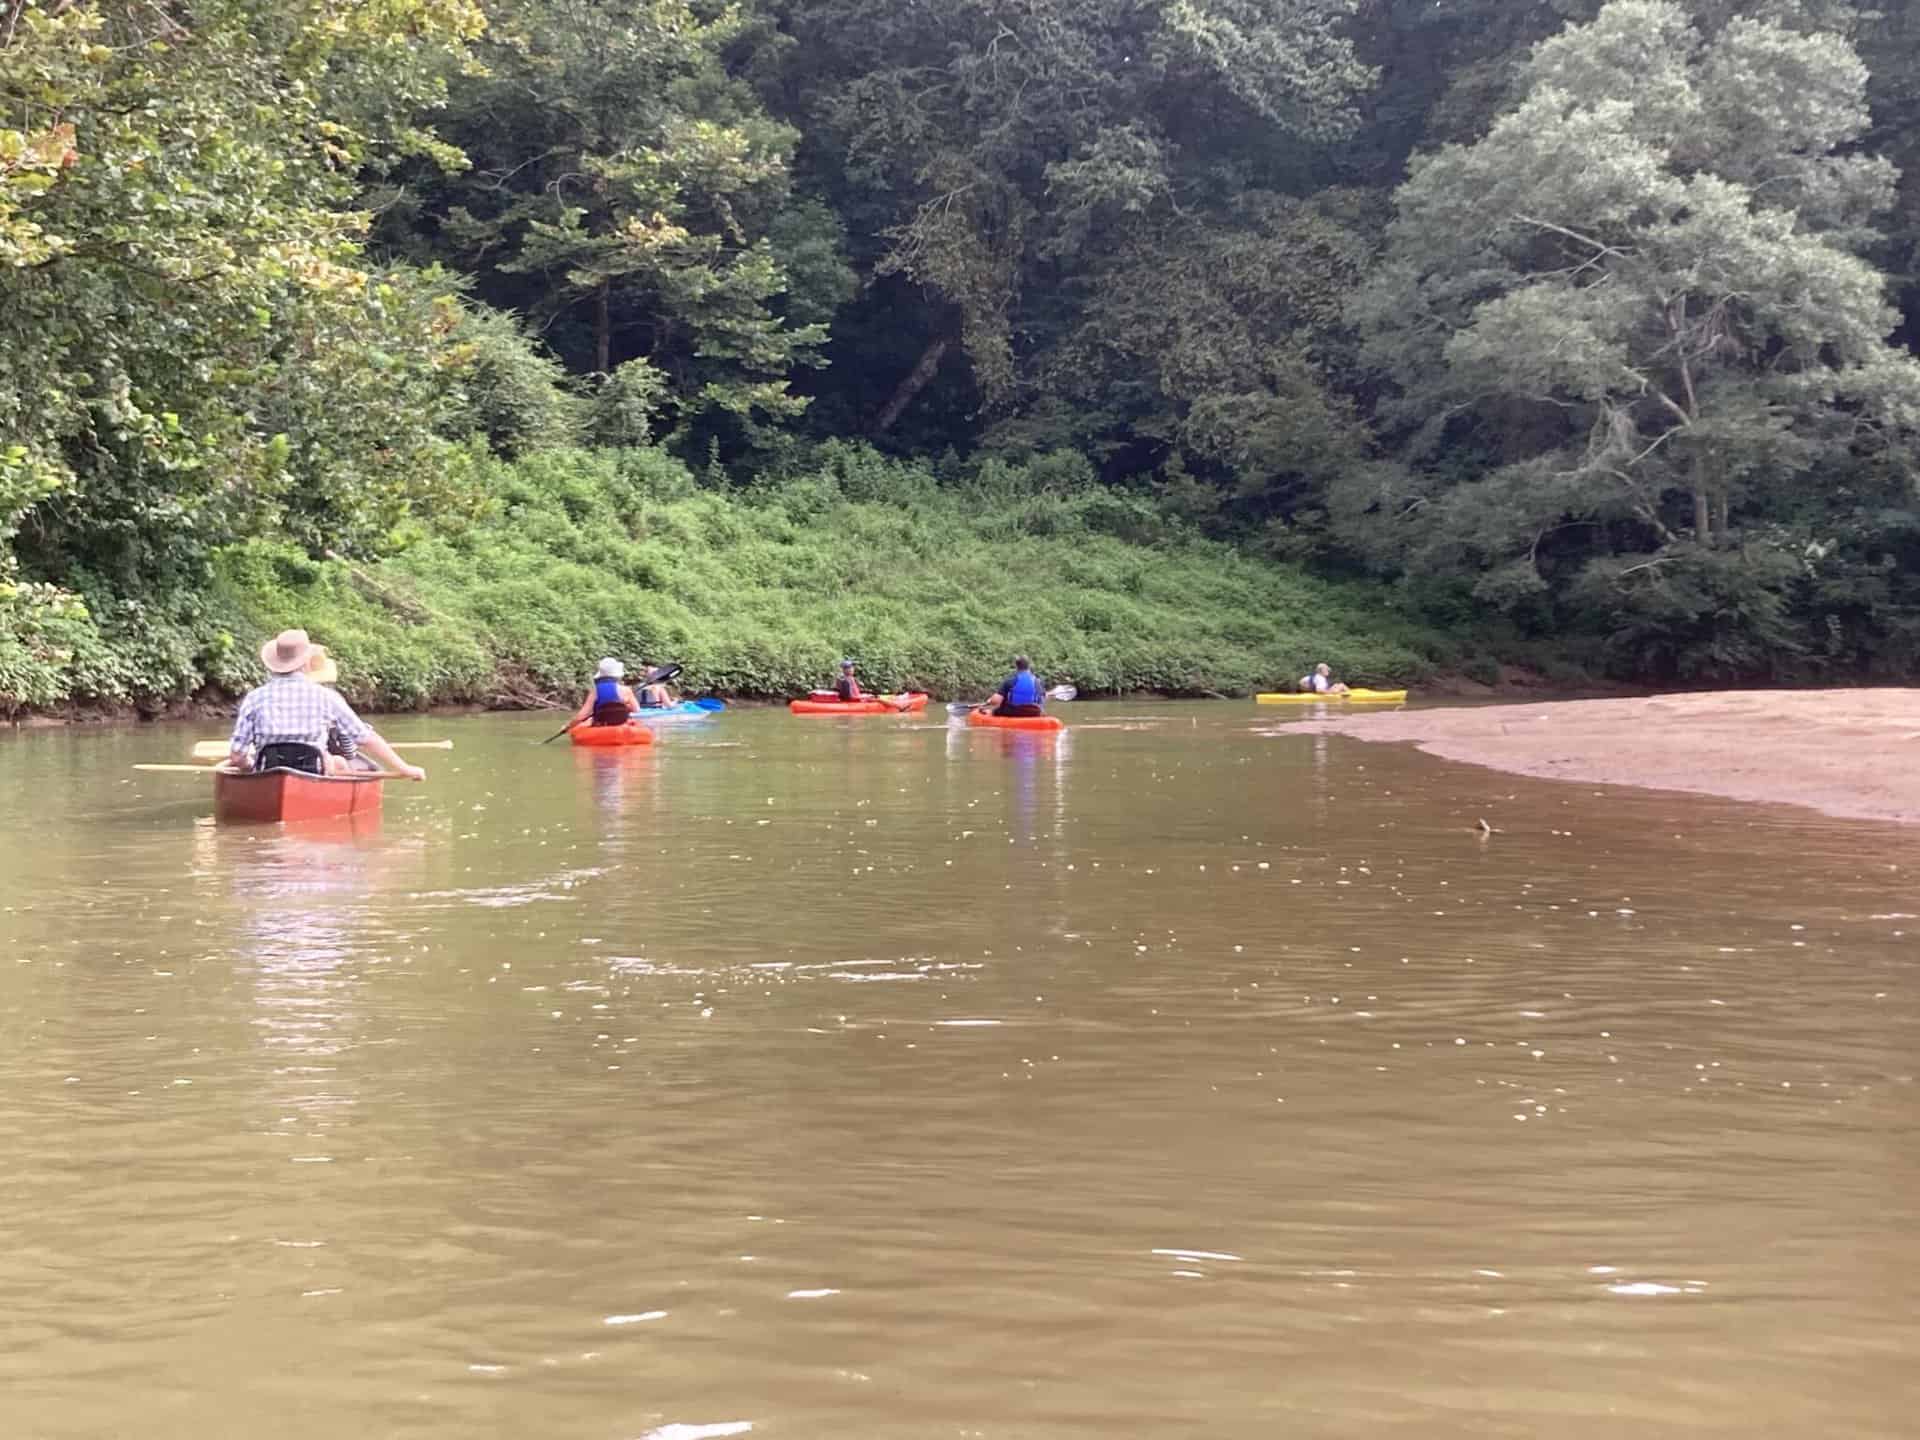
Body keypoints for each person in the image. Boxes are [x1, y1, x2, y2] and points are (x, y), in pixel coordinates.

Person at [229, 630, 426, 780]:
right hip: (314, 771)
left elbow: (237, 757)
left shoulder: (254, 698)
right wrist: (404, 769)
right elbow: (365, 738)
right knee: (340, 762)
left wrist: (248, 767)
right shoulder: (326, 696)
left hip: (268, 773)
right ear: (306, 662)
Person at [304, 645, 375, 774]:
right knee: (341, 762)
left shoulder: (279, 696)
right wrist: (351, 754)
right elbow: (346, 741)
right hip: (320, 760)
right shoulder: (331, 697)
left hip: (280, 757)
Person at [573, 657, 641, 727]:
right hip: (621, 726)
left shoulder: (595, 691)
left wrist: (570, 725)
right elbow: (636, 710)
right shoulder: (626, 690)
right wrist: (626, 707)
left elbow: (582, 715)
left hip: (601, 726)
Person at [979, 654, 1045, 717]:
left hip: (1013, 712)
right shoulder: (1038, 681)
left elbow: (996, 701)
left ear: (1016, 666)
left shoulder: (1010, 680)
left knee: (994, 710)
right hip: (1033, 712)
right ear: (1029, 666)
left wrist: (990, 700)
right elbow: (1041, 699)